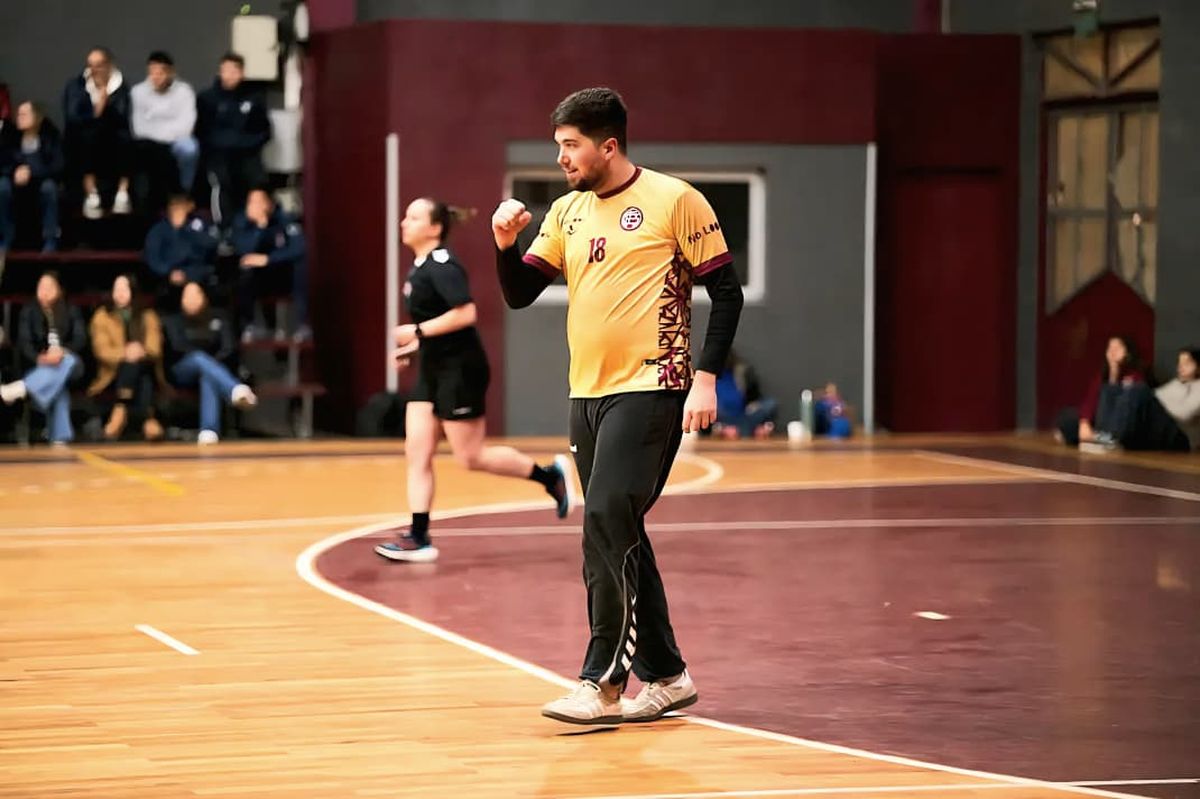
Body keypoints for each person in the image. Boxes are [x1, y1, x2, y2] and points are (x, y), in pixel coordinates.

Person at [492, 88, 743, 724]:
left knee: (604, 517)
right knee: (619, 529)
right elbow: (521, 293)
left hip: (654, 386)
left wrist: (707, 379)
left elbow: (727, 292)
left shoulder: (674, 200)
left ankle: (601, 682)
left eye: (571, 146)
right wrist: (502, 244)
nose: (562, 159)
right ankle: (669, 675)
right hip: (588, 393)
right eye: (558, 147)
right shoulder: (567, 211)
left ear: (609, 145)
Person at [373, 198, 572, 564]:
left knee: (471, 456)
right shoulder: (418, 268)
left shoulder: (442, 265)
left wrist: (415, 330)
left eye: (413, 217)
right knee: (416, 451)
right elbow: (440, 327)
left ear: (434, 228)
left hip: (460, 371)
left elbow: (466, 313)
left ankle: (549, 477)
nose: (404, 222)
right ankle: (419, 536)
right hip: (432, 370)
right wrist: (415, 349)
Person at [1056, 335, 1189, 452]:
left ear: (1128, 352)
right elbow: (1091, 403)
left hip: (1135, 427)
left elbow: (1133, 405)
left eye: (1118, 348)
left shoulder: (1138, 376)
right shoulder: (1103, 378)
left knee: (1132, 393)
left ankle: (1106, 438)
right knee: (1069, 416)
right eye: (1109, 348)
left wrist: (1116, 371)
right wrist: (1084, 422)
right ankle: (1100, 437)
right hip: (1108, 424)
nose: (1112, 351)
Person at [162, 281, 257, 444]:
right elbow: (178, 347)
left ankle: (209, 431)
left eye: (195, 295)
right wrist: (208, 359)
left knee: (208, 375)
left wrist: (212, 364)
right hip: (181, 370)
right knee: (199, 358)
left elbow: (228, 347)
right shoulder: (172, 321)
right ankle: (234, 389)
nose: (191, 299)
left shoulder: (219, 317)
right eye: (187, 295)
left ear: (203, 297)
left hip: (213, 370)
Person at [0, 272, 88, 444]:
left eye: (49, 287)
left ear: (59, 290)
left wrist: (62, 352)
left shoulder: (71, 310)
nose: (45, 291)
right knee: (58, 385)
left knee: (67, 361)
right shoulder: (29, 311)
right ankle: (60, 436)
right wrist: (40, 358)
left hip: (71, 365)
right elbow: (24, 344)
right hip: (40, 367)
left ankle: (22, 388)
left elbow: (80, 339)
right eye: (41, 287)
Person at [88, 274, 167, 440]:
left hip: (145, 366)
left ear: (134, 291)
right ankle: (149, 419)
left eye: (125, 289)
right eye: (117, 289)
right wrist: (125, 352)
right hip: (112, 373)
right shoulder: (102, 316)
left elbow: (155, 348)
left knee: (139, 368)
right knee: (133, 368)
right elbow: (101, 350)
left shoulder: (148, 315)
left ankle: (120, 410)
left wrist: (141, 350)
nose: (120, 293)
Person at [196, 53, 270, 226]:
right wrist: (223, 144)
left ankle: (255, 229)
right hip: (218, 155)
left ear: (242, 73)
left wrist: (244, 144)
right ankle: (223, 229)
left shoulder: (255, 99)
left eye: (234, 71)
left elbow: (264, 131)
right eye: (226, 71)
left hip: (248, 155)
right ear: (220, 72)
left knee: (258, 184)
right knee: (221, 182)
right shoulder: (207, 99)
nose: (229, 75)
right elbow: (202, 132)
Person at [62, 47, 132, 218]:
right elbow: (72, 116)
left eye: (99, 65)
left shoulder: (121, 87)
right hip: (83, 137)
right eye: (91, 65)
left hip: (114, 138)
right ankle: (91, 195)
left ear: (109, 65)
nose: (94, 70)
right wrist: (95, 112)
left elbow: (124, 117)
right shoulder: (76, 85)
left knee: (127, 140)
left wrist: (106, 105)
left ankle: (122, 194)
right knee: (86, 138)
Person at [231, 187, 308, 341]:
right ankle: (249, 325)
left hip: (283, 274)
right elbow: (242, 249)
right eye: (252, 202)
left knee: (300, 266)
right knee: (243, 270)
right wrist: (260, 227)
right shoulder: (242, 222)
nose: (256, 206)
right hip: (258, 278)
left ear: (270, 204)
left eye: (260, 201)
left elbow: (299, 248)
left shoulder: (285, 220)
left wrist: (268, 259)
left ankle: (302, 325)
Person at [130, 51, 199, 209]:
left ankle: (184, 192)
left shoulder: (185, 91)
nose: (156, 77)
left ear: (171, 72)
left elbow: (186, 126)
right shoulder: (138, 92)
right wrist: (165, 133)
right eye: (152, 72)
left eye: (160, 72)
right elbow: (139, 128)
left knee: (189, 147)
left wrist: (160, 132)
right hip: (149, 144)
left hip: (175, 142)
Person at [0, 101, 63, 251]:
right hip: (16, 185)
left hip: (40, 184)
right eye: (18, 114)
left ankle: (50, 240)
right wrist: (15, 171)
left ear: (38, 118)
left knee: (50, 188)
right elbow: (3, 162)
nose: (19, 117)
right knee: (2, 186)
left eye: (24, 114)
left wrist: (31, 172)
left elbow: (58, 166)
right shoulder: (10, 138)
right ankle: (5, 239)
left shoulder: (50, 137)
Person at [143, 194, 219, 301]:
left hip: (195, 279)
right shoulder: (158, 231)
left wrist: (188, 274)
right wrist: (169, 272)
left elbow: (210, 247)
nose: (177, 212)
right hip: (166, 281)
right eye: (174, 208)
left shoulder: (197, 227)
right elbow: (153, 258)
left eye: (181, 208)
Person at [713, 350, 777, 439]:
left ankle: (742, 430)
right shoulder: (704, 376)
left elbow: (754, 397)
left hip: (745, 414)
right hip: (722, 417)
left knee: (770, 403)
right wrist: (719, 427)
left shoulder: (742, 371)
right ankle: (744, 431)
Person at [1155, 346, 1200, 451]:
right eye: (1179, 363)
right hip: (1164, 432)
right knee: (1123, 392)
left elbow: (1183, 414)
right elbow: (1154, 397)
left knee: (1138, 392)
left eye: (1187, 363)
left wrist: (1160, 406)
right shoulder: (1177, 383)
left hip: (1184, 439)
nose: (1181, 367)